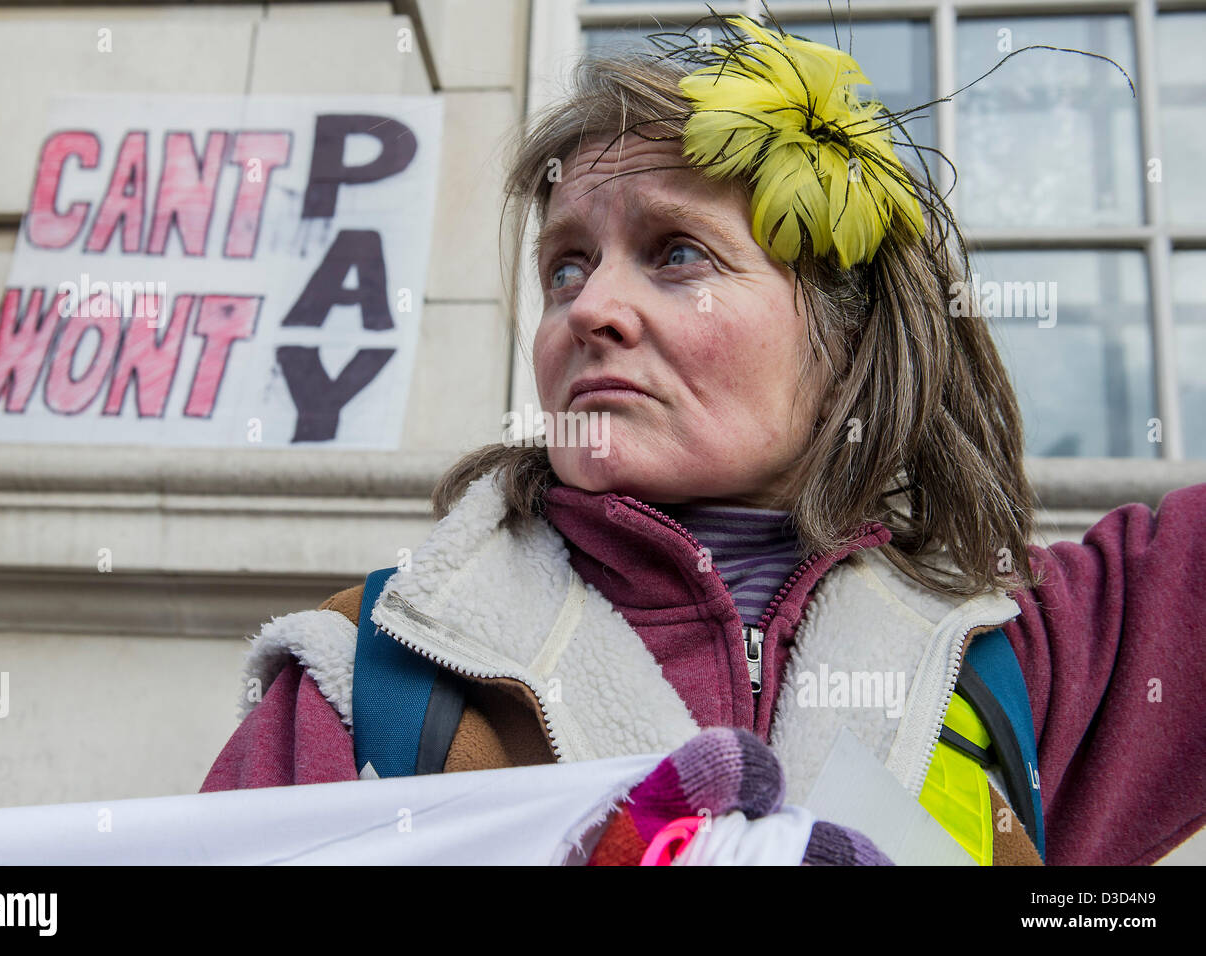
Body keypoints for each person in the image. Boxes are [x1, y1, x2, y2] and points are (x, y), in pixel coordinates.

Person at [199, 15, 1205, 866]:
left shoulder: (1017, 652)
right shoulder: (373, 668)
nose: (589, 308)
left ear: (843, 333)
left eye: (675, 252)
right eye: (564, 267)